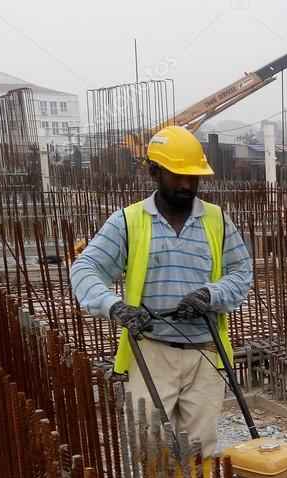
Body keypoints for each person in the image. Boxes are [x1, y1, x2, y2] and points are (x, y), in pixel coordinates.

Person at [70, 125, 252, 460]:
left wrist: (209, 295)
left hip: (205, 351)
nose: (186, 185)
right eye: (176, 175)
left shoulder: (217, 221)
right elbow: (84, 268)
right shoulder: (128, 221)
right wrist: (115, 307)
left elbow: (242, 274)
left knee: (200, 450)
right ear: (155, 172)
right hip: (151, 351)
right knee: (151, 446)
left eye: (193, 177)